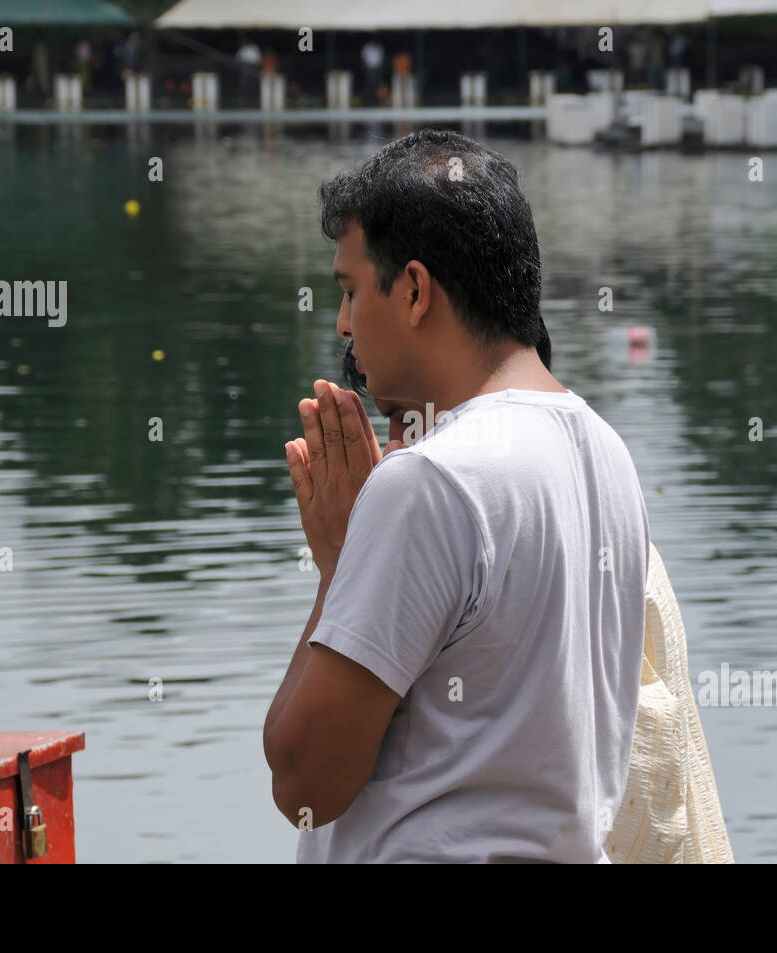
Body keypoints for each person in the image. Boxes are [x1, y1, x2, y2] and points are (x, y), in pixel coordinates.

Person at [265, 129, 650, 863]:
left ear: (413, 290)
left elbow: (302, 781)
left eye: (349, 290)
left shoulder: (428, 481)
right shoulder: (607, 451)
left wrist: (340, 569)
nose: (343, 323)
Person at [236, 37, 260, 107]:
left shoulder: (255, 48)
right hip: (244, 69)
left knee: (253, 84)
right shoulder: (243, 48)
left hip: (253, 68)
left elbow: (258, 60)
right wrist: (242, 63)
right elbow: (237, 58)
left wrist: (251, 63)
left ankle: (254, 99)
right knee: (244, 85)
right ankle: (243, 99)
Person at [360, 36, 383, 106]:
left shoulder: (379, 46)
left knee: (377, 84)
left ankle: (376, 99)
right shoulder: (367, 47)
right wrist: (364, 67)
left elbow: (381, 58)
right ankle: (370, 99)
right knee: (370, 84)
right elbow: (363, 58)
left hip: (377, 69)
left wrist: (381, 68)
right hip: (369, 69)